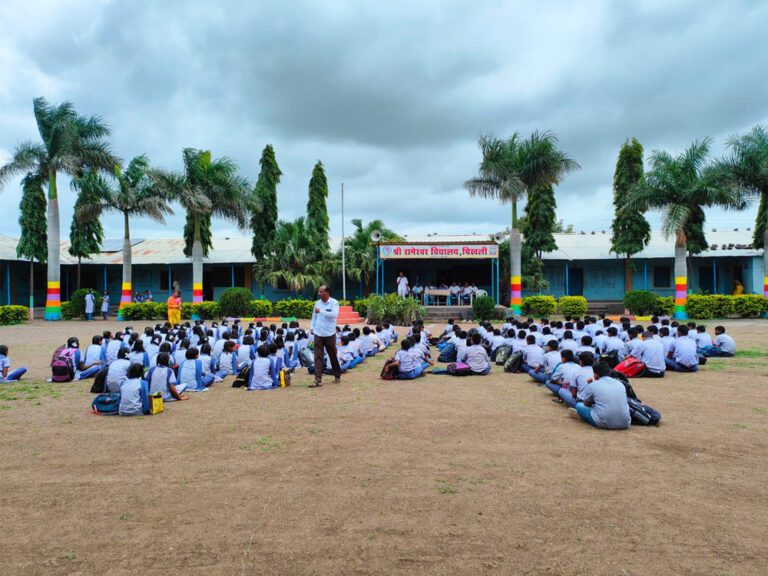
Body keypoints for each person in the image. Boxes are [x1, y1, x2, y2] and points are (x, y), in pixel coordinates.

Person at [572, 362, 631, 430]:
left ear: (595, 375)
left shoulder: (592, 385)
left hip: (604, 422)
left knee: (579, 405)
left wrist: (590, 385)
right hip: (625, 423)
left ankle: (584, 417)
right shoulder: (620, 384)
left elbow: (587, 404)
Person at [309, 284, 340, 388]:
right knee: (318, 356)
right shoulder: (317, 303)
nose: (319, 293)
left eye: (321, 292)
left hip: (329, 333)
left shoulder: (334, 303)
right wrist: (312, 327)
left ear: (327, 292)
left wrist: (321, 311)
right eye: (319, 292)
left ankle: (337, 375)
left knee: (332, 354)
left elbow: (334, 315)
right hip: (318, 332)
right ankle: (318, 379)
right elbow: (314, 316)